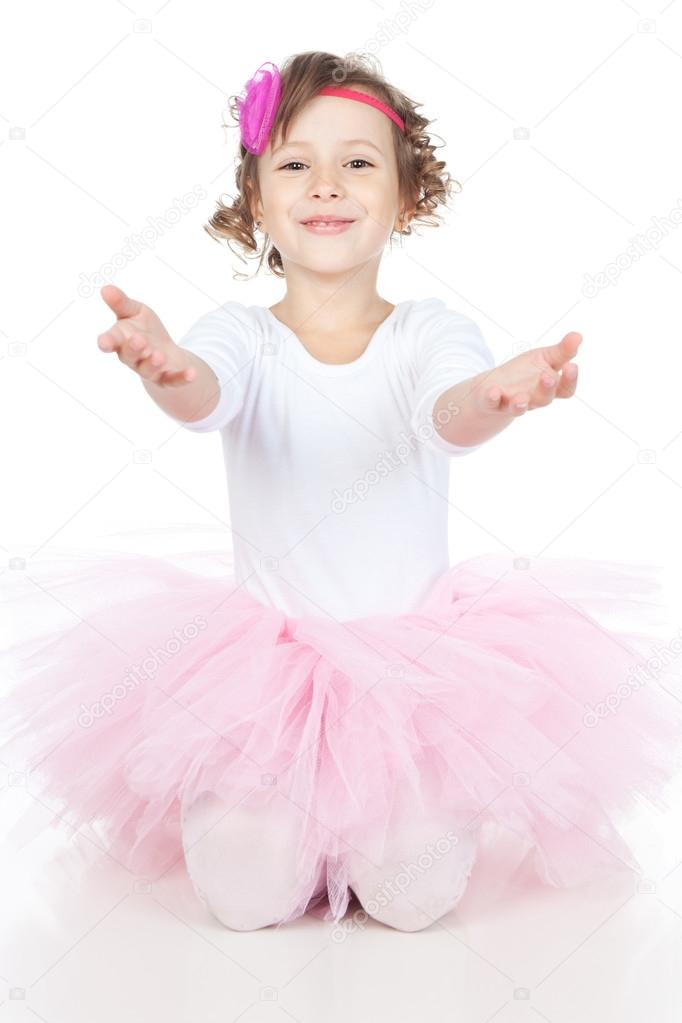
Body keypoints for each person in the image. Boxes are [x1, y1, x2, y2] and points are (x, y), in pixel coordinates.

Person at [2, 51, 681, 934]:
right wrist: (166, 368)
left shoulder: (428, 332)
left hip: (412, 673)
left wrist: (493, 395)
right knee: (243, 900)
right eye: (295, 163)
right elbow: (206, 394)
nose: (326, 183)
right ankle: (298, 837)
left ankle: (375, 833)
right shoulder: (240, 335)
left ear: (406, 197)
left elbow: (446, 415)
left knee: (414, 900)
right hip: (265, 673)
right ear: (257, 201)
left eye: (357, 161)